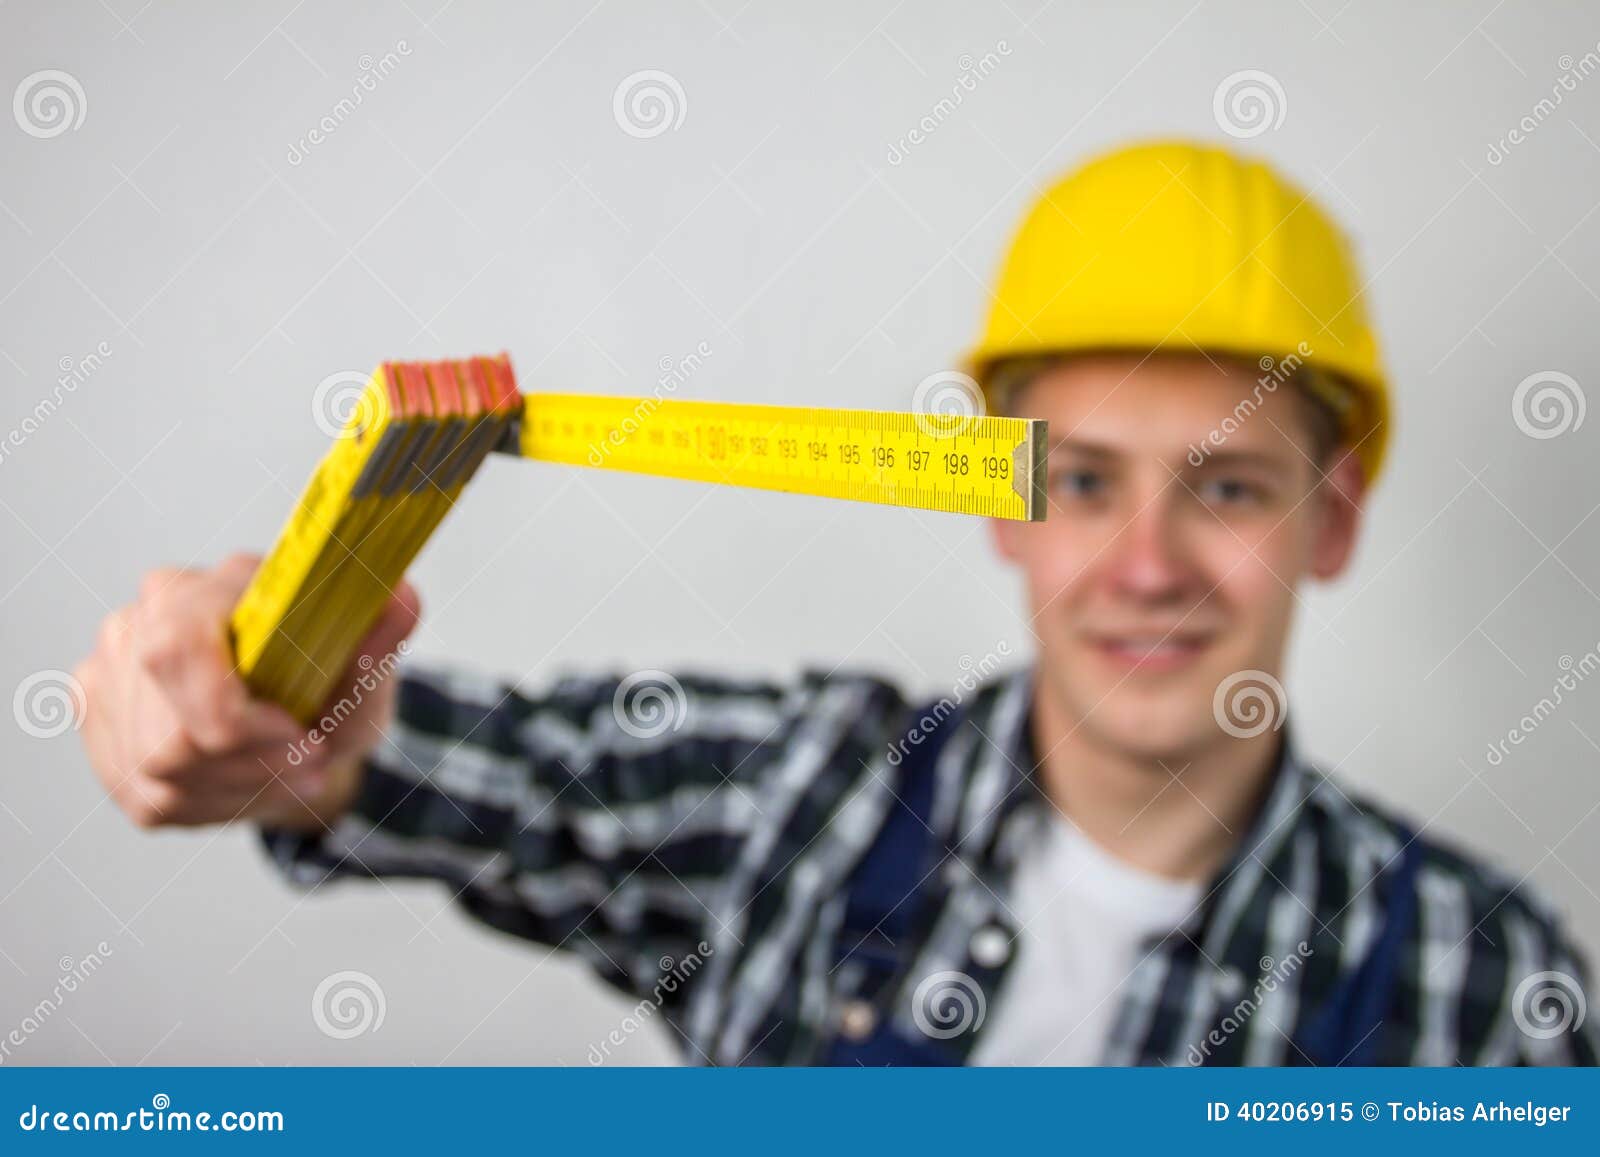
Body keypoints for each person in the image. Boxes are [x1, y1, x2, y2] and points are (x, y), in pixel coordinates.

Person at [74, 140, 1596, 1067]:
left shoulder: (1487, 993)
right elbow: (431, 760)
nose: (1145, 564)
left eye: (1229, 486)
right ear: (998, 509)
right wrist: (274, 690)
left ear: (1328, 526)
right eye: (1079, 481)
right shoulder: (798, 797)